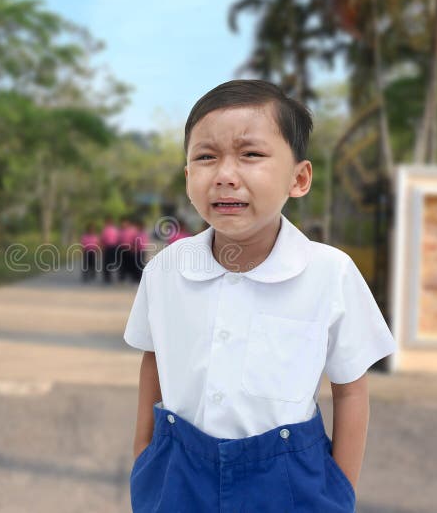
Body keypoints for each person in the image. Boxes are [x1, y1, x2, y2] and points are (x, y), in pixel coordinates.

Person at [123, 79, 396, 512]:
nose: (225, 175)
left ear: (299, 178)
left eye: (250, 154)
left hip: (288, 482)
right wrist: (145, 455)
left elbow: (350, 389)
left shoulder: (330, 273)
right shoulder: (165, 270)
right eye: (206, 157)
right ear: (189, 176)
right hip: (177, 475)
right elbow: (153, 359)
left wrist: (340, 489)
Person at [100, 216, 120, 284]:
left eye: (110, 221)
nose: (109, 222)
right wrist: (102, 247)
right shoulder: (104, 230)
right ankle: (107, 277)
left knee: (114, 262)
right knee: (106, 262)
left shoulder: (115, 229)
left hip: (114, 247)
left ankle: (115, 276)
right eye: (108, 221)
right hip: (107, 247)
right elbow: (102, 239)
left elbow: (118, 238)